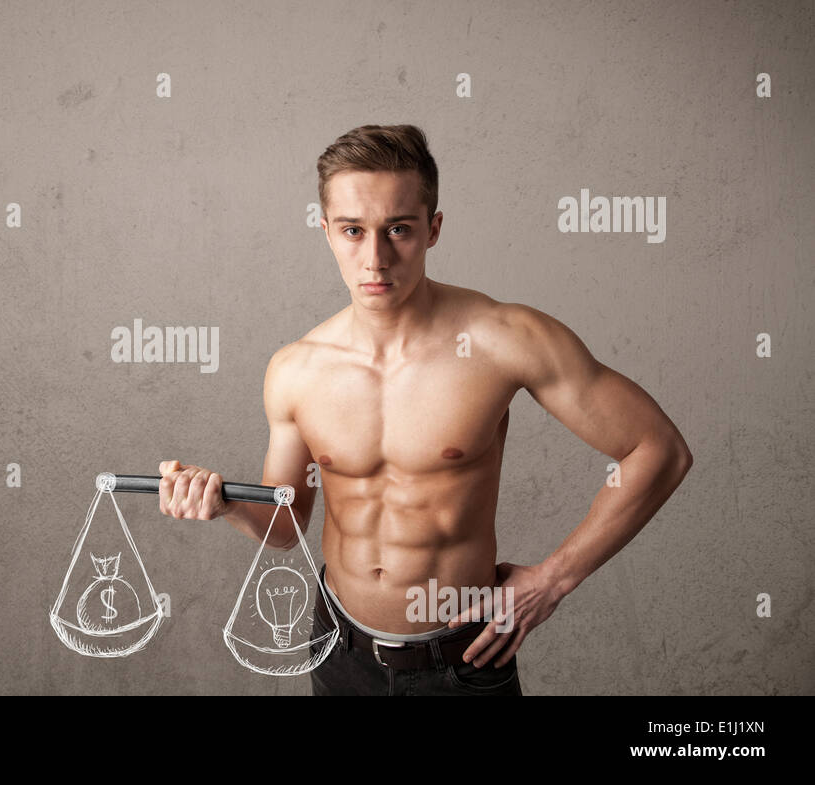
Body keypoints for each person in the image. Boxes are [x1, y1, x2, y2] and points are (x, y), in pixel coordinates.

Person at [158, 124, 692, 696]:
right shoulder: (296, 370)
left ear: (433, 228)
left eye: (399, 230)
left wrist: (552, 581)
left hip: (461, 660)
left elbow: (659, 450)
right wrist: (222, 503)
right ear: (326, 232)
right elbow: (286, 526)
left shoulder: (505, 338)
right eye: (353, 231)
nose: (375, 258)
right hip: (339, 653)